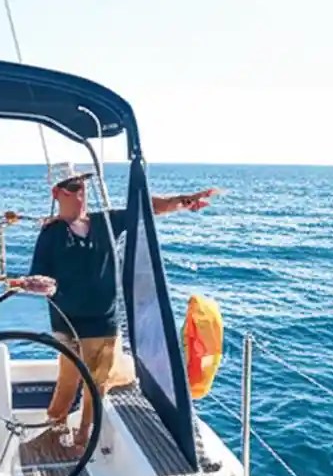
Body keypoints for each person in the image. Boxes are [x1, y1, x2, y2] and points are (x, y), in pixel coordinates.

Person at [20, 163, 218, 452]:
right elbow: (41, 275)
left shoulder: (104, 222)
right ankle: (55, 430)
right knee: (68, 381)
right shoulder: (50, 234)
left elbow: (146, 208)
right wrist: (41, 285)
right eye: (74, 187)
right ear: (57, 192)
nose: (81, 192)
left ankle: (82, 437)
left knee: (97, 385)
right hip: (69, 325)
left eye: (83, 185)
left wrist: (182, 201)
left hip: (105, 323)